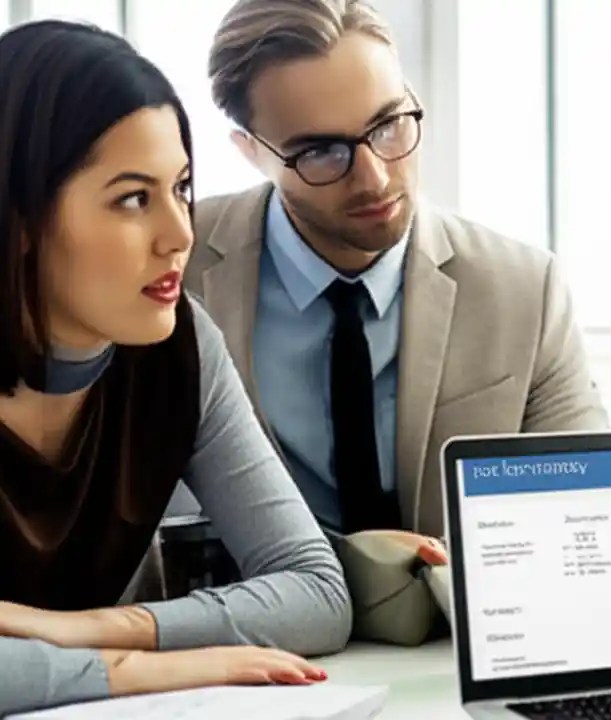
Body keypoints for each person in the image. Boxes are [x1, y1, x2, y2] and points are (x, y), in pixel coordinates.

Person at [0, 20, 352, 716]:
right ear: (21, 221)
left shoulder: (182, 350)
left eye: (181, 188)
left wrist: (98, 629)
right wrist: (132, 669)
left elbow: (316, 591)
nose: (180, 233)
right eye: (133, 198)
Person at [185, 0, 607, 566]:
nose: (376, 177)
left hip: (447, 640)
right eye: (322, 152)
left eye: (388, 126)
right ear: (252, 152)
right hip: (245, 640)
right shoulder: (173, 268)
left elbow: (585, 518)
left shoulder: (524, 291)